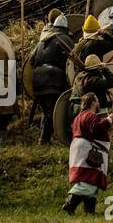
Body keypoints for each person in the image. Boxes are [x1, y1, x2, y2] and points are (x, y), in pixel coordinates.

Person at [29, 15, 76, 144]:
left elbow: (31, 60)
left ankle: (47, 138)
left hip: (37, 79)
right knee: (53, 110)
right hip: (53, 78)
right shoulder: (65, 39)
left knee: (46, 110)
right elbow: (75, 58)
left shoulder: (42, 40)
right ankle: (44, 139)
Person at [63, 93, 111, 215]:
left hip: (81, 149)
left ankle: (89, 210)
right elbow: (96, 128)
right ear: (93, 102)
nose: (99, 103)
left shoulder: (79, 117)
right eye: (97, 100)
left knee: (92, 179)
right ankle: (70, 204)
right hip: (87, 150)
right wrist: (109, 120)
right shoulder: (90, 115)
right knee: (87, 180)